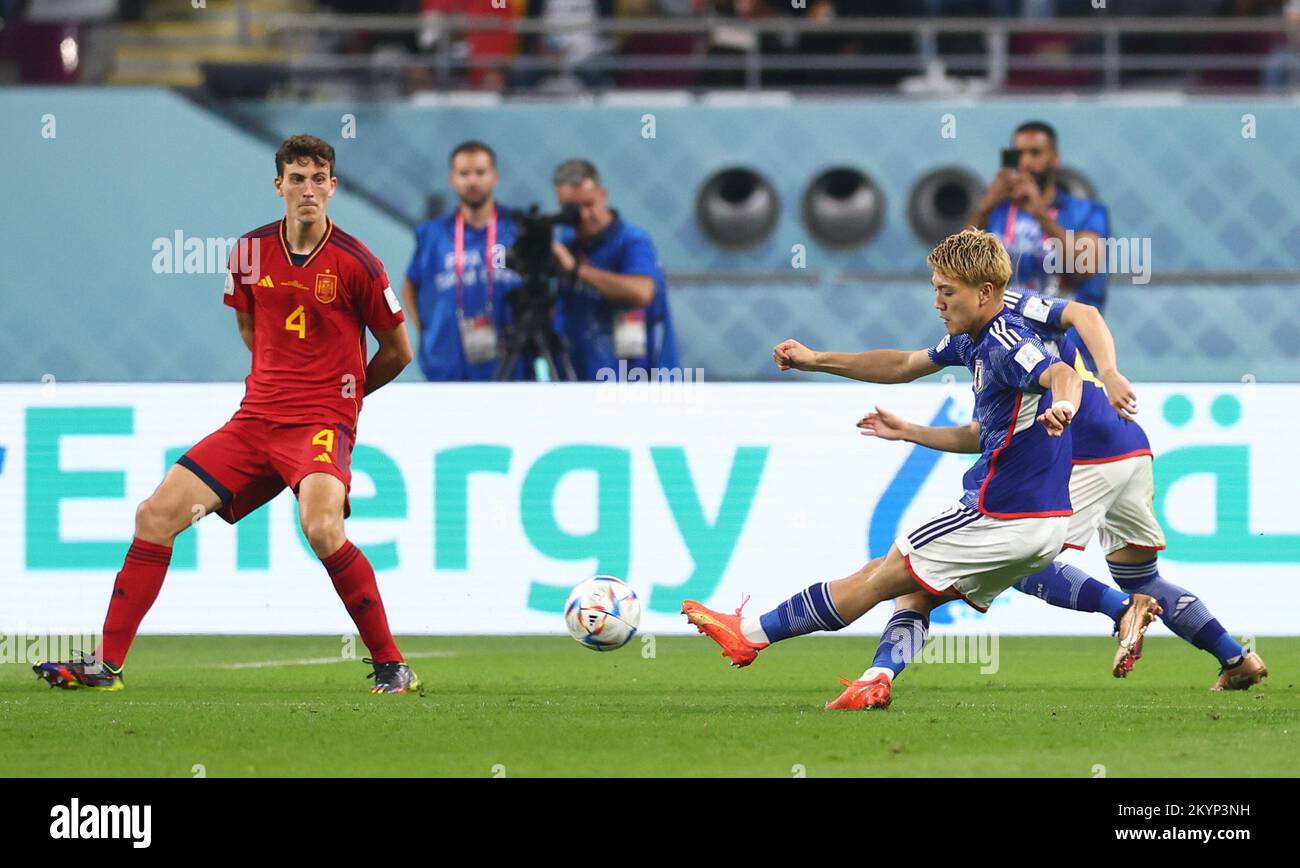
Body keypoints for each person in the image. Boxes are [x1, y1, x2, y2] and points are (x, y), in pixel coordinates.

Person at [34, 135, 422, 694]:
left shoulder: (359, 262)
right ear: (278, 186)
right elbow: (251, 330)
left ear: (333, 187)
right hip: (254, 422)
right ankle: (106, 666)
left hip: (319, 424)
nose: (307, 189)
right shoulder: (246, 252)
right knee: (154, 515)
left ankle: (391, 663)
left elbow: (397, 352)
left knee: (321, 526)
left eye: (318, 178)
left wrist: (344, 400)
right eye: (296, 178)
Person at [682, 227, 1086, 710]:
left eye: (947, 291)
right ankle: (876, 678)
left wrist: (1064, 404)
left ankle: (749, 634)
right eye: (935, 288)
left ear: (985, 293)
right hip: (1044, 523)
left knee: (877, 576)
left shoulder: (1004, 340)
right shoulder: (971, 341)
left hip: (999, 512)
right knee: (916, 595)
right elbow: (902, 364)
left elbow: (1059, 373)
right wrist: (817, 360)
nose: (937, 301)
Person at [854, 288, 1268, 706]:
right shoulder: (992, 336)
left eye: (946, 287)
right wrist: (908, 428)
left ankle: (1124, 609)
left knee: (1017, 556)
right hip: (1127, 445)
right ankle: (1235, 659)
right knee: (1140, 576)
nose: (939, 298)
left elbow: (1084, 312)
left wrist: (1109, 372)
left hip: (1085, 451)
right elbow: (940, 395)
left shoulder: (1008, 315)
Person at [402, 141, 521, 381]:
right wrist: (428, 332)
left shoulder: (517, 230)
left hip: (508, 364)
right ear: (452, 179)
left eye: (480, 172)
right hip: (446, 365)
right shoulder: (432, 234)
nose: (472, 181)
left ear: (494, 177)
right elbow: (409, 286)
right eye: (464, 174)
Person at [551, 158, 679, 381]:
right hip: (581, 381)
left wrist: (578, 270)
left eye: (589, 204)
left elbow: (642, 293)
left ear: (603, 195)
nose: (583, 216)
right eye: (572, 209)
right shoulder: (566, 243)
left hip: (638, 380)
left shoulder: (631, 241)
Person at [970, 121, 1109, 312]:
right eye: (1018, 155)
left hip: (1065, 335)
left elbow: (1085, 267)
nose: (1025, 162)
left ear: (1055, 158)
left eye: (1035, 153)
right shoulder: (996, 211)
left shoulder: (1087, 211)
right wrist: (986, 205)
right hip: (1008, 334)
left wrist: (1039, 213)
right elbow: (956, 267)